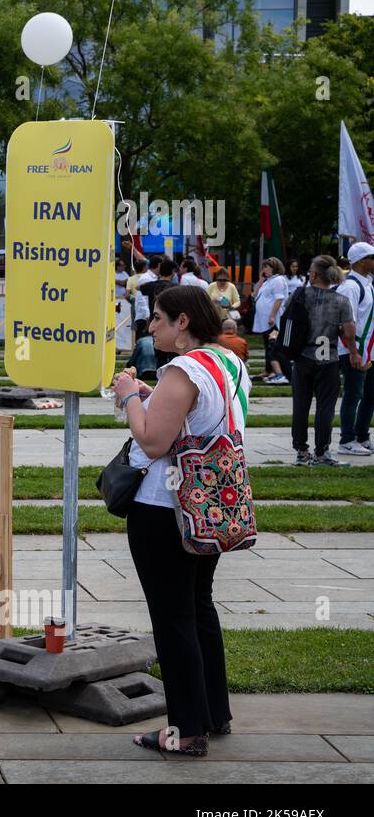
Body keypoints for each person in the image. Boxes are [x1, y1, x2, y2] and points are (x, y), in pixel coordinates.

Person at [110, 285, 249, 757]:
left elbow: (151, 441)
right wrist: (153, 395)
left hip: (164, 508)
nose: (151, 327)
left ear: (183, 321)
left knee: (173, 620)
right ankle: (213, 712)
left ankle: (186, 731)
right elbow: (201, 419)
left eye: (157, 319)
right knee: (199, 608)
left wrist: (130, 396)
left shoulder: (182, 368)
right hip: (208, 508)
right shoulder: (228, 362)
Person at [288, 256, 356, 466]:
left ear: (314, 274)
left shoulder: (299, 295)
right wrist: (353, 351)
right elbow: (349, 330)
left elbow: (288, 320)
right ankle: (322, 451)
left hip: (303, 356)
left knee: (301, 405)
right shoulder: (340, 300)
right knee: (325, 407)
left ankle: (301, 450)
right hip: (328, 357)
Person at [337, 242, 374, 455]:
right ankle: (347, 440)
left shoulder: (368, 283)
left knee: (370, 394)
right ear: (361, 261)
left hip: (368, 350)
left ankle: (362, 435)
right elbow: (344, 322)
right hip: (354, 350)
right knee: (353, 394)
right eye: (372, 257)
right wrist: (353, 352)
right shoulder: (351, 287)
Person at [253, 257, 290, 383]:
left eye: (266, 267)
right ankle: (268, 371)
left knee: (272, 346)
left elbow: (279, 299)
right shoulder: (267, 281)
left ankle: (279, 372)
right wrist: (260, 280)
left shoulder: (278, 280)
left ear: (274, 268)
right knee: (267, 345)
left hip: (273, 320)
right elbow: (255, 295)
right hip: (263, 320)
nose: (264, 269)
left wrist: (272, 315)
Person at [127, 257, 155, 337]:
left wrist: (133, 300)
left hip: (136, 306)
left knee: (135, 326)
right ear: (144, 267)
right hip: (147, 308)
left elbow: (127, 295)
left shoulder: (130, 279)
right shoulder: (150, 278)